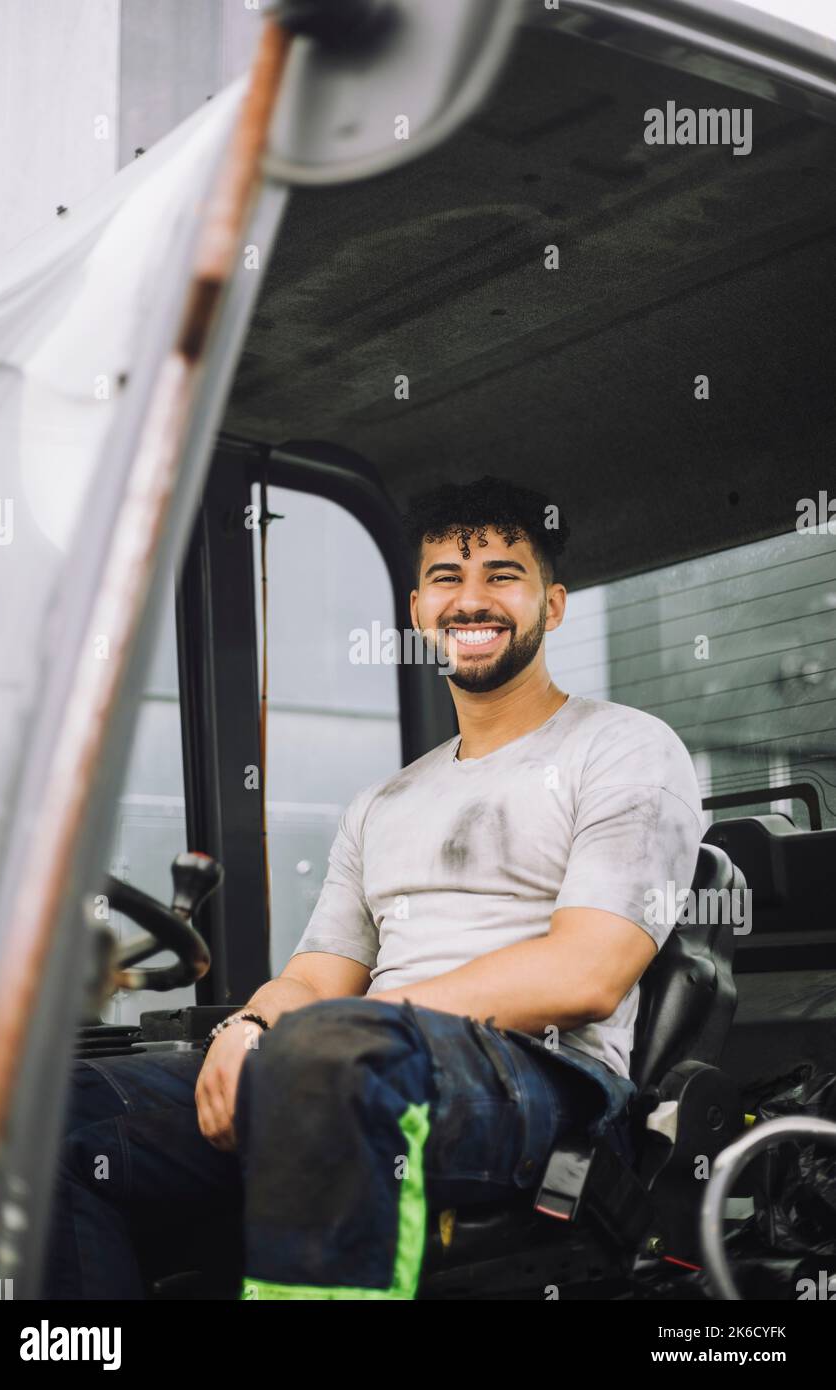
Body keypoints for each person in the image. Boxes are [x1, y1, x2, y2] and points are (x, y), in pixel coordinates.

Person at [42, 475, 703, 1300]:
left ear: (553, 605)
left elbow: (588, 972)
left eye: (503, 575)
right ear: (420, 610)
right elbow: (319, 975)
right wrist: (250, 1026)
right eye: (446, 580)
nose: (472, 600)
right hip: (357, 1062)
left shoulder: (627, 749)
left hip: (545, 1084)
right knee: (45, 1105)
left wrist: (333, 1029)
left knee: (329, 1057)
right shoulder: (383, 803)